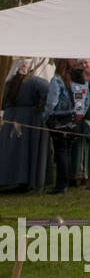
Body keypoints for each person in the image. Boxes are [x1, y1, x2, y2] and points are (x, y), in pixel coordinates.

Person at [0, 60, 51, 193]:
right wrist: (40, 108)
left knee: (12, 151)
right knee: (25, 151)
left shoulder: (10, 83)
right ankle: (25, 181)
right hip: (30, 120)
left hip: (11, 119)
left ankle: (9, 180)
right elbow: (50, 94)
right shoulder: (36, 82)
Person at [44, 59, 78, 194]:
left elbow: (52, 101)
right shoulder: (73, 82)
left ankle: (61, 184)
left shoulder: (56, 81)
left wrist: (46, 116)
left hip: (59, 119)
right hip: (72, 118)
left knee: (61, 152)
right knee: (68, 151)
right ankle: (68, 181)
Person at [70, 58, 90, 187]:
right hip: (82, 118)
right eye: (82, 63)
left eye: (86, 62)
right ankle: (80, 176)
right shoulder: (76, 82)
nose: (84, 65)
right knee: (80, 148)